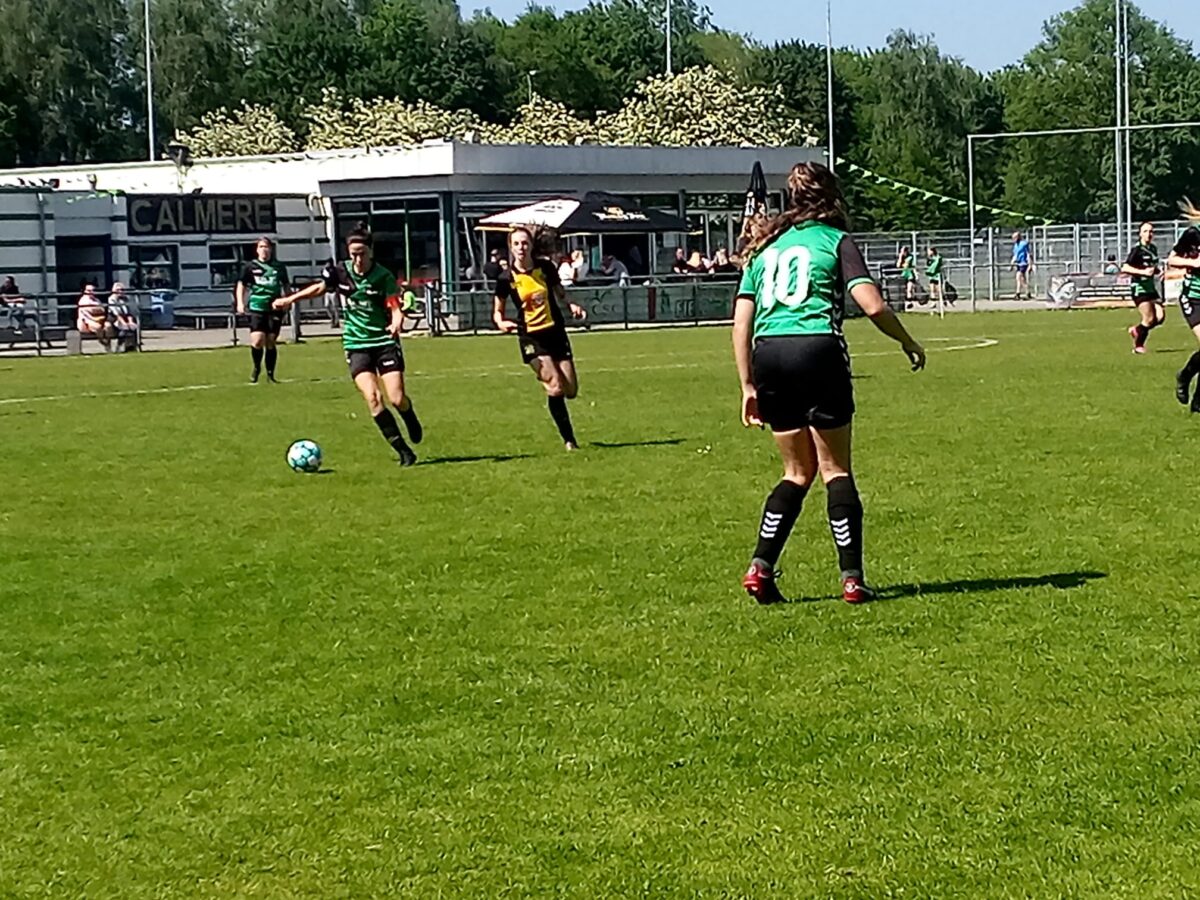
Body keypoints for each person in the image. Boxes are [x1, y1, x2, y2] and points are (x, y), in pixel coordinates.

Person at [732, 162, 926, 606]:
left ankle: (760, 568)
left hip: (770, 355)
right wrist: (907, 341)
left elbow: (741, 323)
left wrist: (747, 385)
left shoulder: (765, 245)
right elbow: (872, 305)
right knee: (835, 470)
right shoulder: (836, 240)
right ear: (833, 197)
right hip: (818, 348)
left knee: (796, 473)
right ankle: (852, 580)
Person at [274, 222, 423, 466]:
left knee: (397, 398)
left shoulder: (383, 276)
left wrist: (397, 322)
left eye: (362, 254)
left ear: (371, 251)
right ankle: (404, 451)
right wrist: (291, 299)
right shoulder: (340, 272)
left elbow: (395, 307)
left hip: (384, 341)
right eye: (353, 254)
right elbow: (320, 288)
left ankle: (409, 414)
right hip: (356, 344)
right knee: (373, 398)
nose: (358, 259)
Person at [492, 226, 588, 451]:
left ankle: (551, 381)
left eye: (525, 243)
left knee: (570, 390)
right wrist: (500, 322)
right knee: (555, 387)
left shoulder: (545, 268)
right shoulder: (506, 278)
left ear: (531, 245)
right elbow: (497, 310)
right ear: (510, 247)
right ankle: (569, 441)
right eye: (516, 244)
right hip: (530, 337)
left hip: (555, 332)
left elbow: (559, 292)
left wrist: (571, 304)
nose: (521, 248)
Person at [235, 236, 291, 383]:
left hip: (274, 307)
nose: (264, 250)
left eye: (266, 247)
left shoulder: (279, 267)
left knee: (271, 341)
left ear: (271, 249)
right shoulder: (250, 266)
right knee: (258, 340)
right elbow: (241, 285)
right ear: (257, 249)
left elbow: (286, 285)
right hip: (257, 307)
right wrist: (240, 302)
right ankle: (256, 368)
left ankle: (271, 374)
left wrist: (288, 300)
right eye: (261, 247)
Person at [1170, 205, 1200, 409]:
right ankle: (1185, 375)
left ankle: (1198, 401)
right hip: (1194, 297)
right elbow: (1172, 259)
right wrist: (1195, 263)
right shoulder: (1193, 234)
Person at [1122, 221, 1164, 354]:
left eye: (1151, 231)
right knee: (1149, 319)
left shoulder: (1153, 249)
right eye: (1145, 231)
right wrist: (1143, 272)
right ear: (1140, 234)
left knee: (1160, 317)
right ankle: (1138, 346)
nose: (1149, 234)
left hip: (1151, 288)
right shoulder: (1137, 250)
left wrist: (1158, 271)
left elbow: (1151, 266)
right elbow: (1125, 267)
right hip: (1140, 289)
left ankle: (1137, 330)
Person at [76, 283, 114, 352]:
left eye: (93, 290)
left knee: (108, 326)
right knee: (98, 327)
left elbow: (102, 310)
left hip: (100, 319)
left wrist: (96, 311)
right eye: (89, 290)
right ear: (85, 291)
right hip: (87, 321)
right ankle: (102, 342)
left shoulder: (97, 300)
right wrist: (96, 312)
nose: (91, 292)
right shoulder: (82, 301)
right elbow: (87, 314)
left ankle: (108, 343)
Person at [107, 282, 139, 352]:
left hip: (125, 317)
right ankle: (119, 345)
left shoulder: (125, 299)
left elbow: (129, 312)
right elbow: (116, 313)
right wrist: (124, 323)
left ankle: (132, 346)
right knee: (124, 327)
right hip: (115, 318)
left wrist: (130, 321)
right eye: (118, 290)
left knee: (133, 326)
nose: (120, 291)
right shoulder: (111, 299)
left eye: (122, 289)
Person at [1011, 231, 1033, 299]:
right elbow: (1015, 255)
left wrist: (1030, 264)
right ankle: (1026, 292)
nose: (1013, 239)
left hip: (1024, 263)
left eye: (1014, 238)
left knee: (1019, 276)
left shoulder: (1024, 244)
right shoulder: (1015, 245)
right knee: (1020, 279)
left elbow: (1028, 254)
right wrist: (1012, 263)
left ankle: (1018, 293)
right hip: (1018, 263)